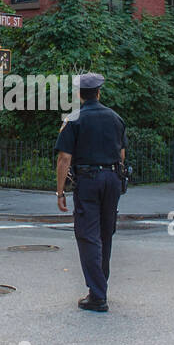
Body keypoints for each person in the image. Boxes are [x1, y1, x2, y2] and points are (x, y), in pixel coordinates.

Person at [54, 73, 126, 313]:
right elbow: (122, 153)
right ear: (99, 92)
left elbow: (64, 158)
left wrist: (60, 191)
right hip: (113, 178)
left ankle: (97, 295)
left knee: (88, 235)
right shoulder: (115, 118)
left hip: (88, 180)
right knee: (106, 233)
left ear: (79, 95)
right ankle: (100, 286)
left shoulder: (74, 119)